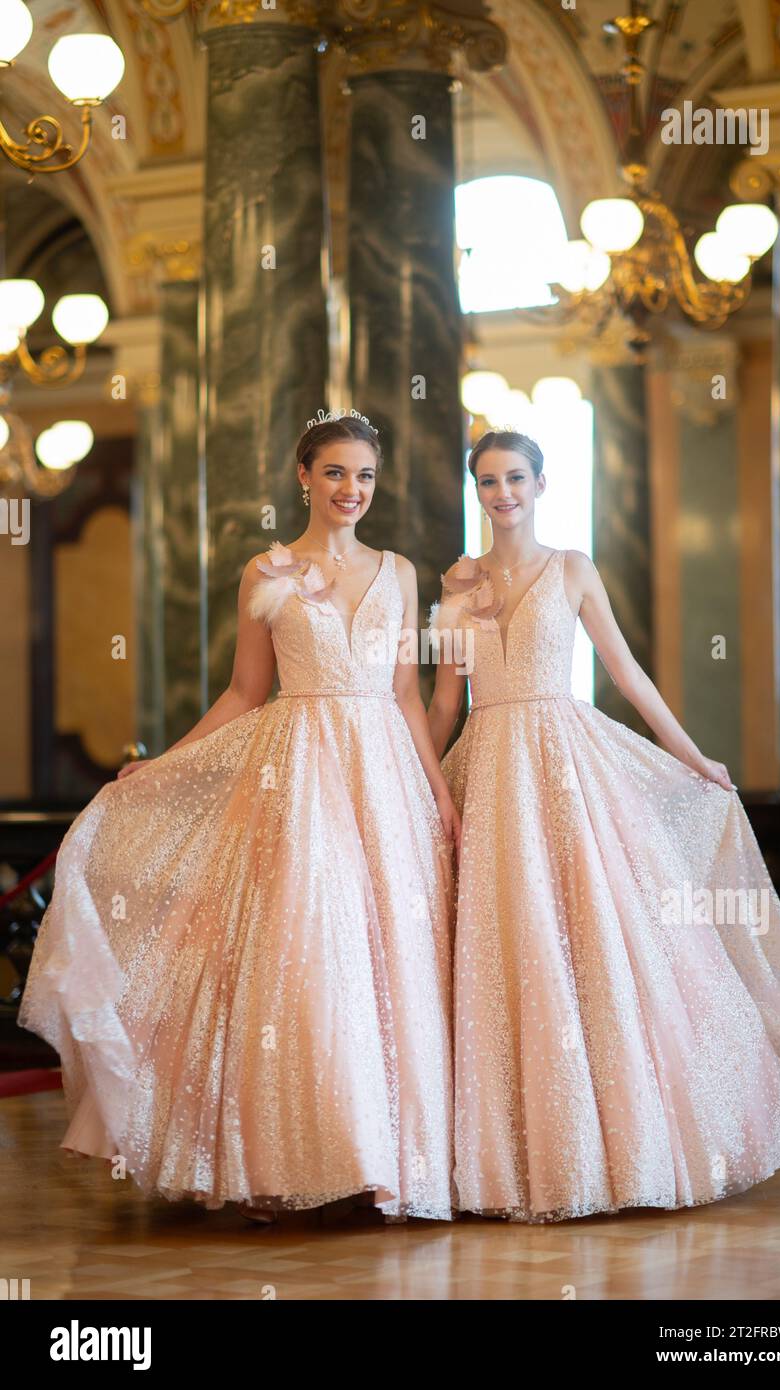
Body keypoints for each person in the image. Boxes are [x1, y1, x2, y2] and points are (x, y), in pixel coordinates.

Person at [19, 412, 459, 1225]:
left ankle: (382, 1157)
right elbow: (244, 694)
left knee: (388, 956)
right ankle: (295, 1151)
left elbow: (403, 694)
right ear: (303, 476)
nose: (350, 490)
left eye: (363, 475)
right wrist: (163, 763)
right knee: (301, 945)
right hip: (299, 774)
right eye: (334, 473)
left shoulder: (398, 571)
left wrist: (434, 791)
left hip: (385, 777)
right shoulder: (268, 568)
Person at [428, 428, 780, 1223]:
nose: (502, 493)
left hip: (564, 766)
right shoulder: (455, 587)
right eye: (487, 481)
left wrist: (694, 759)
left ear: (541, 484)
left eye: (515, 478)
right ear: (474, 491)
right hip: (487, 768)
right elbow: (445, 705)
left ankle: (625, 1137)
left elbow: (627, 671)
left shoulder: (573, 569)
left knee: (594, 933)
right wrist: (423, 790)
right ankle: (518, 1147)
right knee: (504, 940)